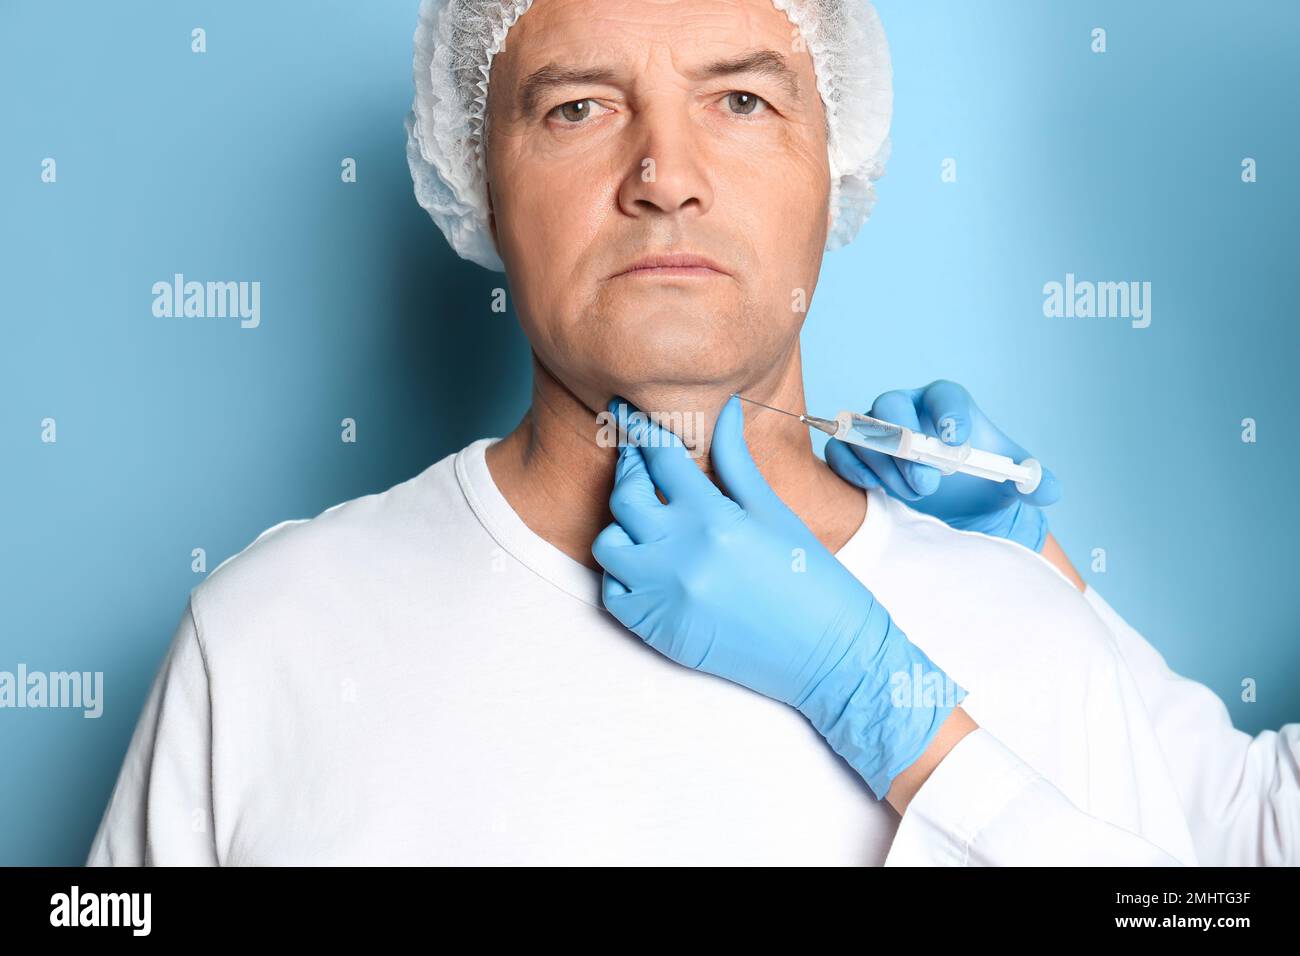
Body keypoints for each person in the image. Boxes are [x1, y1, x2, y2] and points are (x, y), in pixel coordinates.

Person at [86, 0, 1298, 865]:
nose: (665, 174)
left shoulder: (1035, 651)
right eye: (576, 106)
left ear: (836, 164)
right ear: (477, 176)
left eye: (741, 99)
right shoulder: (266, 639)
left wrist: (939, 657)